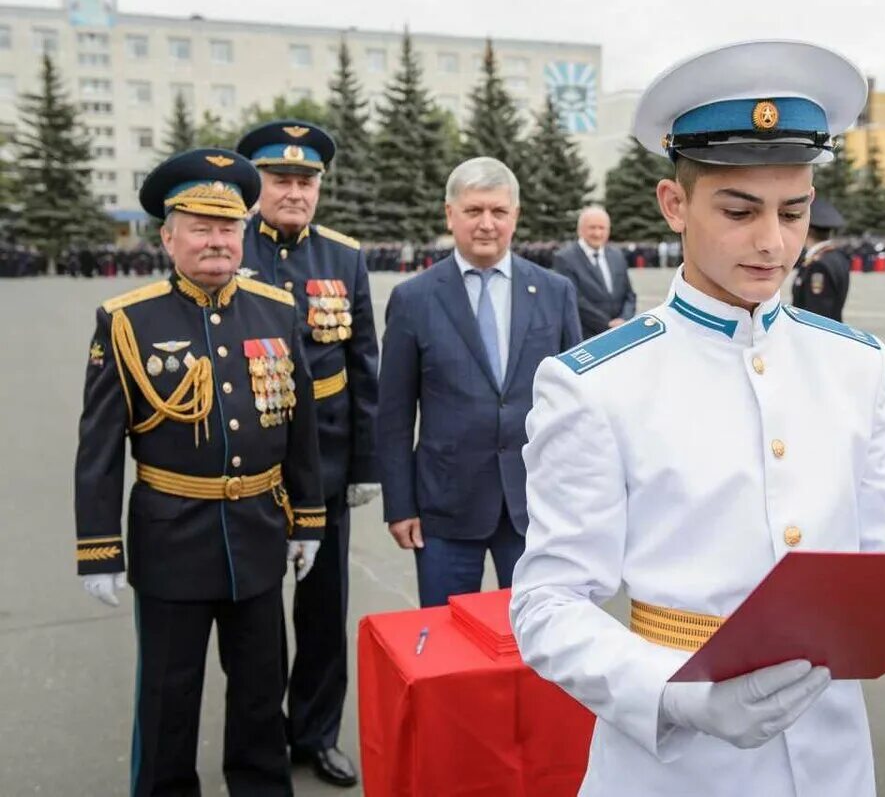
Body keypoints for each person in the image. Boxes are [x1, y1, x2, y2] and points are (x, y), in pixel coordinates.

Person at [510, 40, 885, 796]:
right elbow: (546, 603)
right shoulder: (598, 383)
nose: (773, 241)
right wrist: (679, 693)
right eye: (740, 210)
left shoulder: (854, 363)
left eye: (794, 210)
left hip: (835, 758)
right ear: (674, 204)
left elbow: (880, 552)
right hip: (673, 769)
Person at [74, 148, 326, 796]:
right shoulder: (128, 320)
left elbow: (298, 425)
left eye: (228, 227)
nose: (217, 240)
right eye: (200, 226)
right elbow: (99, 447)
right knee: (167, 701)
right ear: (167, 236)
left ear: (243, 234)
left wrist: (310, 517)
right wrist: (99, 549)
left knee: (260, 698)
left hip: (259, 535)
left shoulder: (277, 309)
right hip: (171, 537)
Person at [235, 119, 379, 788]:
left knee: (323, 610)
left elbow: (363, 365)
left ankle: (317, 731)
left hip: (324, 461)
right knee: (257, 617)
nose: (293, 191)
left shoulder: (344, 258)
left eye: (305, 180)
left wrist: (366, 466)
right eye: (280, 179)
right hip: (254, 465)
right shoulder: (227, 247)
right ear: (255, 185)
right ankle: (264, 736)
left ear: (319, 187)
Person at [377, 156, 582, 608]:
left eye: (498, 211)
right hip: (445, 508)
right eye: (473, 211)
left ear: (515, 216)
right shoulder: (413, 299)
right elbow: (392, 415)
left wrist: (577, 497)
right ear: (450, 215)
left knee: (539, 647)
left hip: (535, 507)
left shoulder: (554, 291)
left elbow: (575, 407)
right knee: (446, 651)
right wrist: (400, 505)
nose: (486, 224)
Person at [552, 206, 639, 338]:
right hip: (586, 337)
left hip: (620, 334)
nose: (597, 233)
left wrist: (624, 320)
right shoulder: (565, 258)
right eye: (592, 228)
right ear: (580, 230)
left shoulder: (617, 255)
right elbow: (575, 300)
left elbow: (629, 294)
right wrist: (607, 325)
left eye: (602, 228)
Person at [790, 196, 850, 320]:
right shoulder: (836, 256)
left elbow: (817, 312)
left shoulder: (818, 265)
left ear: (807, 228)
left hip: (816, 334)